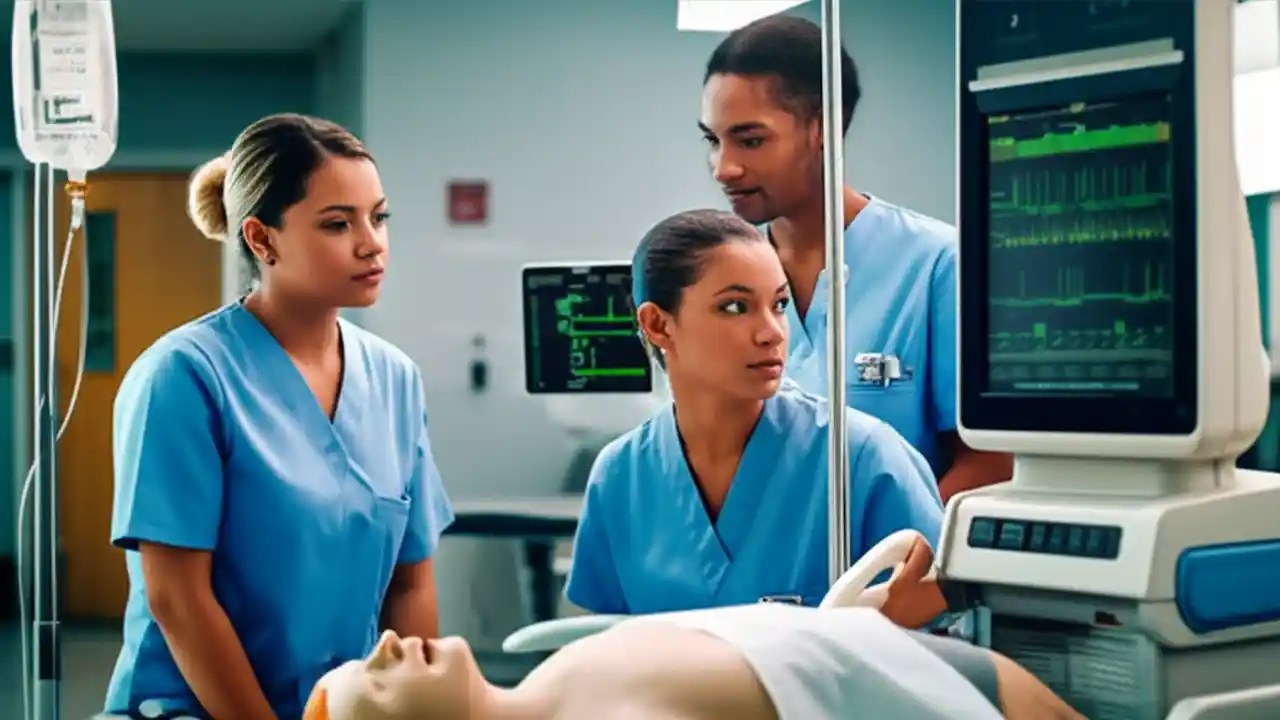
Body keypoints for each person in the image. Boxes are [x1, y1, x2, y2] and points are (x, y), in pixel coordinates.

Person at [104, 113, 455, 720]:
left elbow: (410, 583)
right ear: (262, 239)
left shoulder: (394, 378)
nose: (371, 242)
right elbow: (177, 599)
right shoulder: (185, 378)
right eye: (337, 223)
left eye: (379, 216)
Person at [563, 209, 944, 615]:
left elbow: (941, 626)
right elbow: (606, 642)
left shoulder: (860, 457)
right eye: (734, 307)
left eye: (779, 304)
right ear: (658, 325)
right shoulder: (621, 475)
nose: (773, 332)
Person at [699, 15, 1013, 501]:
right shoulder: (720, 275)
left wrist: (888, 556)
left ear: (821, 128)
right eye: (712, 140)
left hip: (893, 568)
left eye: (751, 140)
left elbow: (991, 462)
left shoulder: (936, 265)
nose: (725, 168)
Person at [301, 605, 1085, 720]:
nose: (389, 643)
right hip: (930, 695)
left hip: (902, 653)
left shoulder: (552, 679)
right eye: (375, 678)